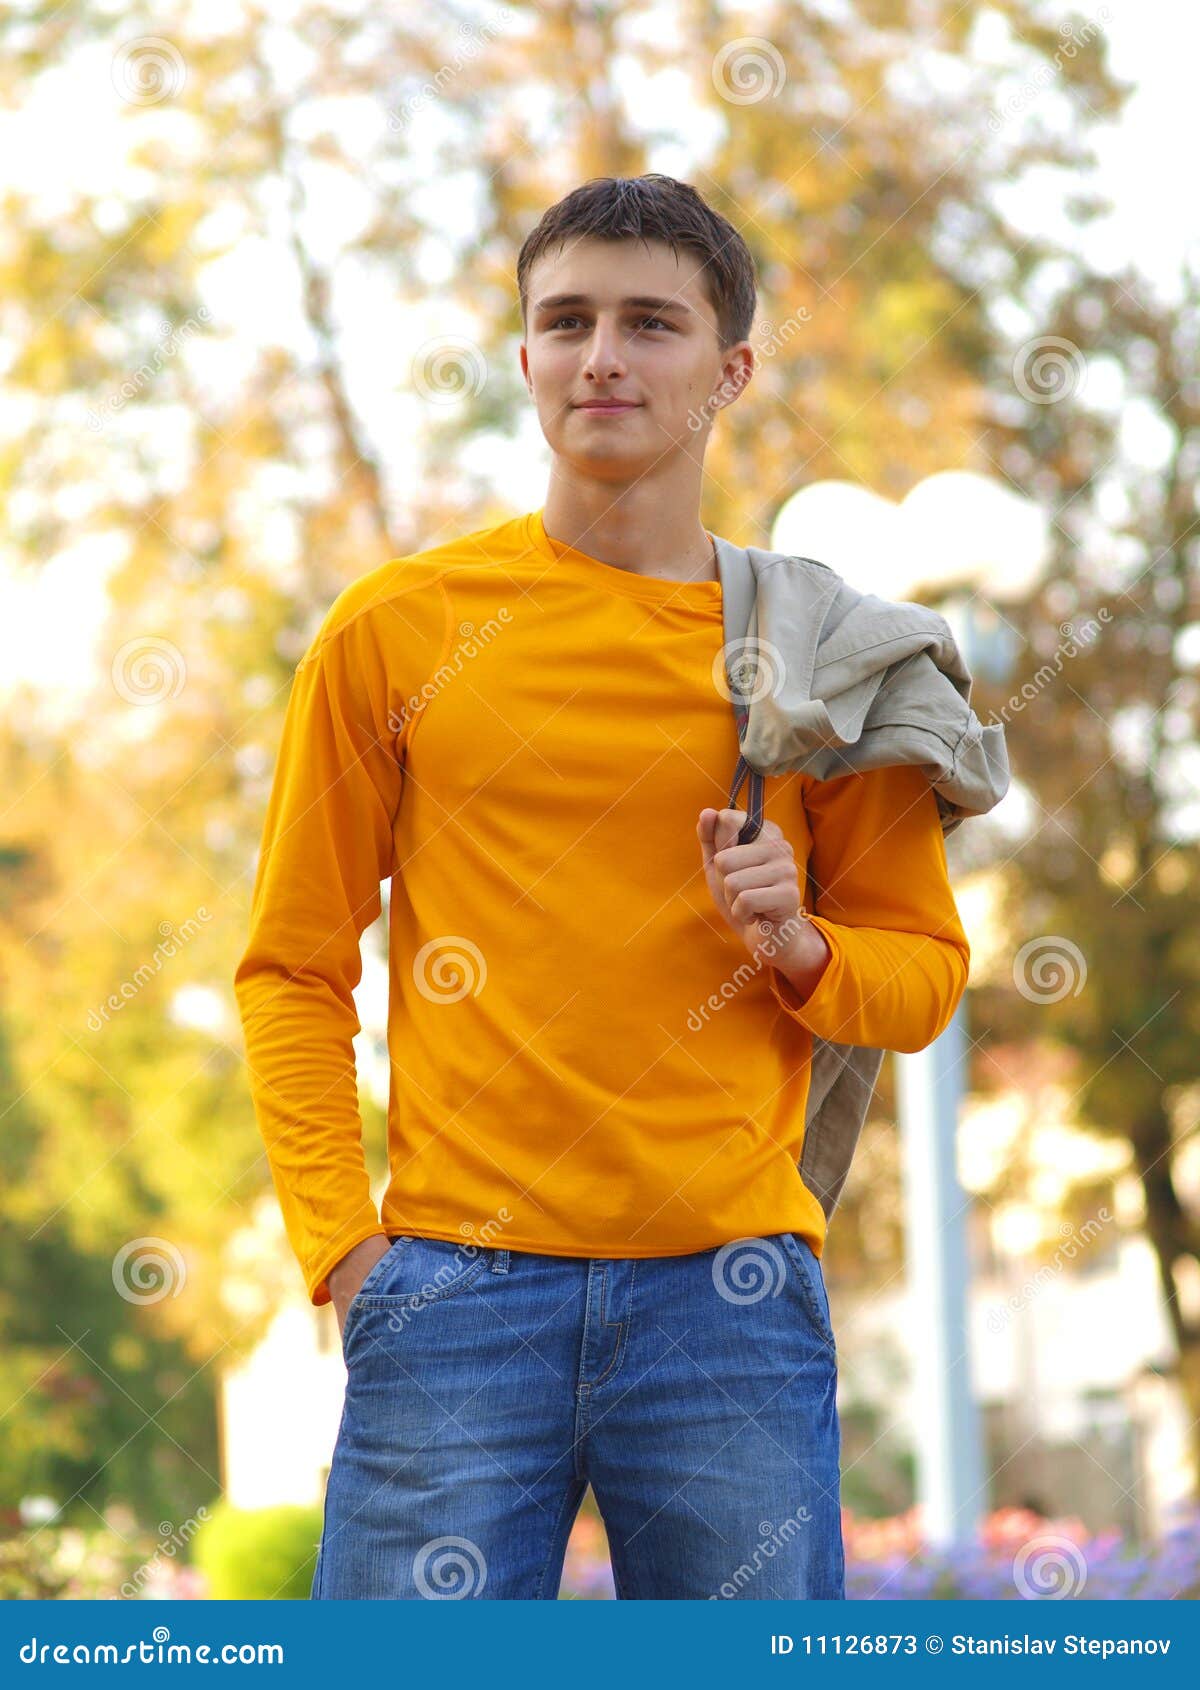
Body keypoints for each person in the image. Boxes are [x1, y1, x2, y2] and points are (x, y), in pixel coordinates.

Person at [233, 172, 971, 1601]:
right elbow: (291, 967)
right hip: (451, 1292)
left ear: (731, 369)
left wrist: (804, 942)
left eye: (652, 323)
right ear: (525, 360)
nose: (603, 357)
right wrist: (347, 1253)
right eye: (565, 322)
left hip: (730, 1302)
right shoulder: (397, 633)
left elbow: (926, 976)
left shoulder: (823, 661)